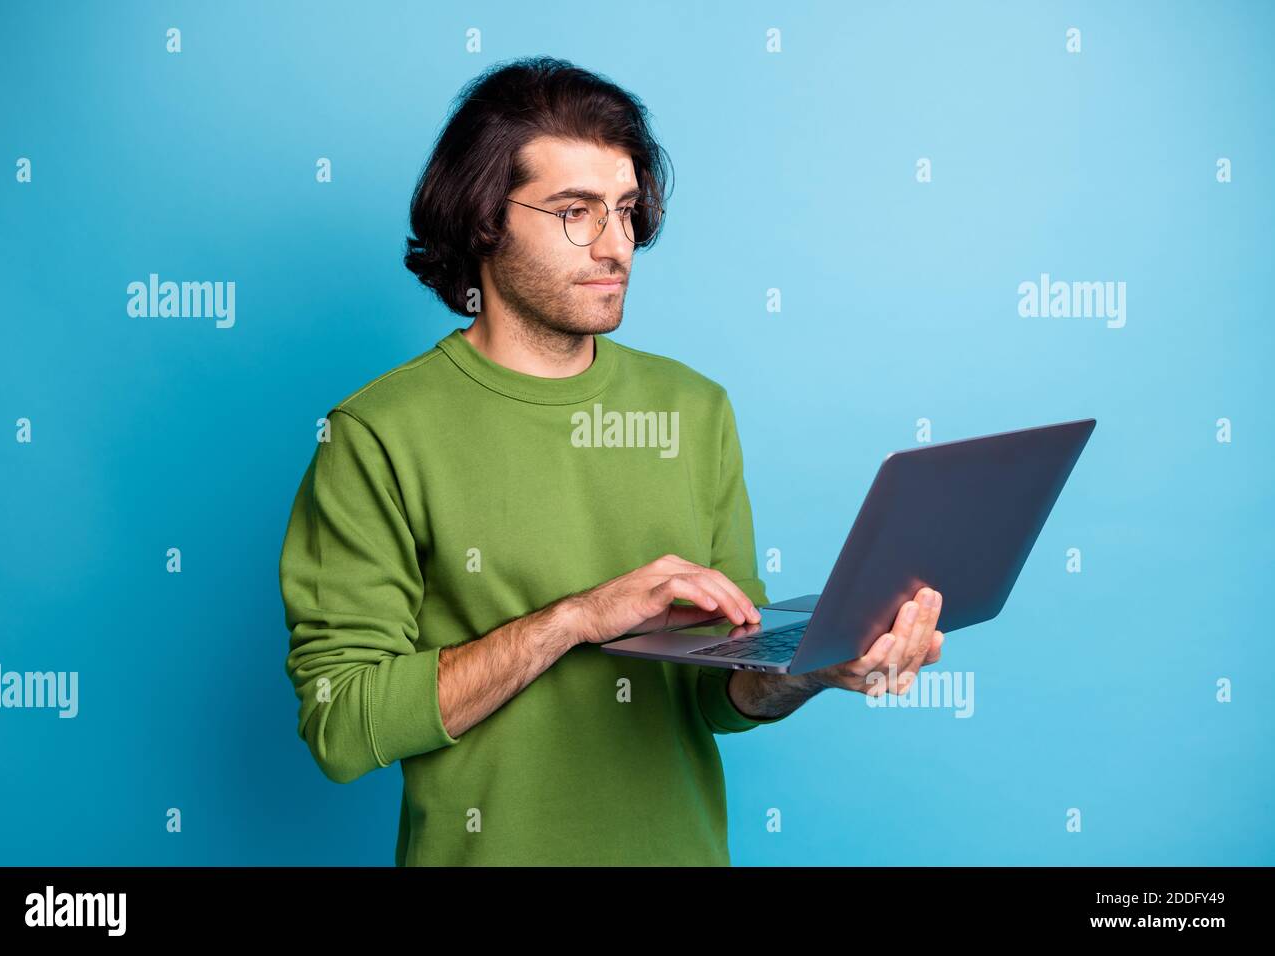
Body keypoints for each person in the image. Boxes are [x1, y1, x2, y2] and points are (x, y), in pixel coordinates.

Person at [278, 56, 944, 866]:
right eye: (574, 211)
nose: (616, 245)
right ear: (486, 219)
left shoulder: (694, 410)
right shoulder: (376, 434)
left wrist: (814, 666)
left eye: (626, 211)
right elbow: (343, 724)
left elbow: (723, 696)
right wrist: (575, 619)